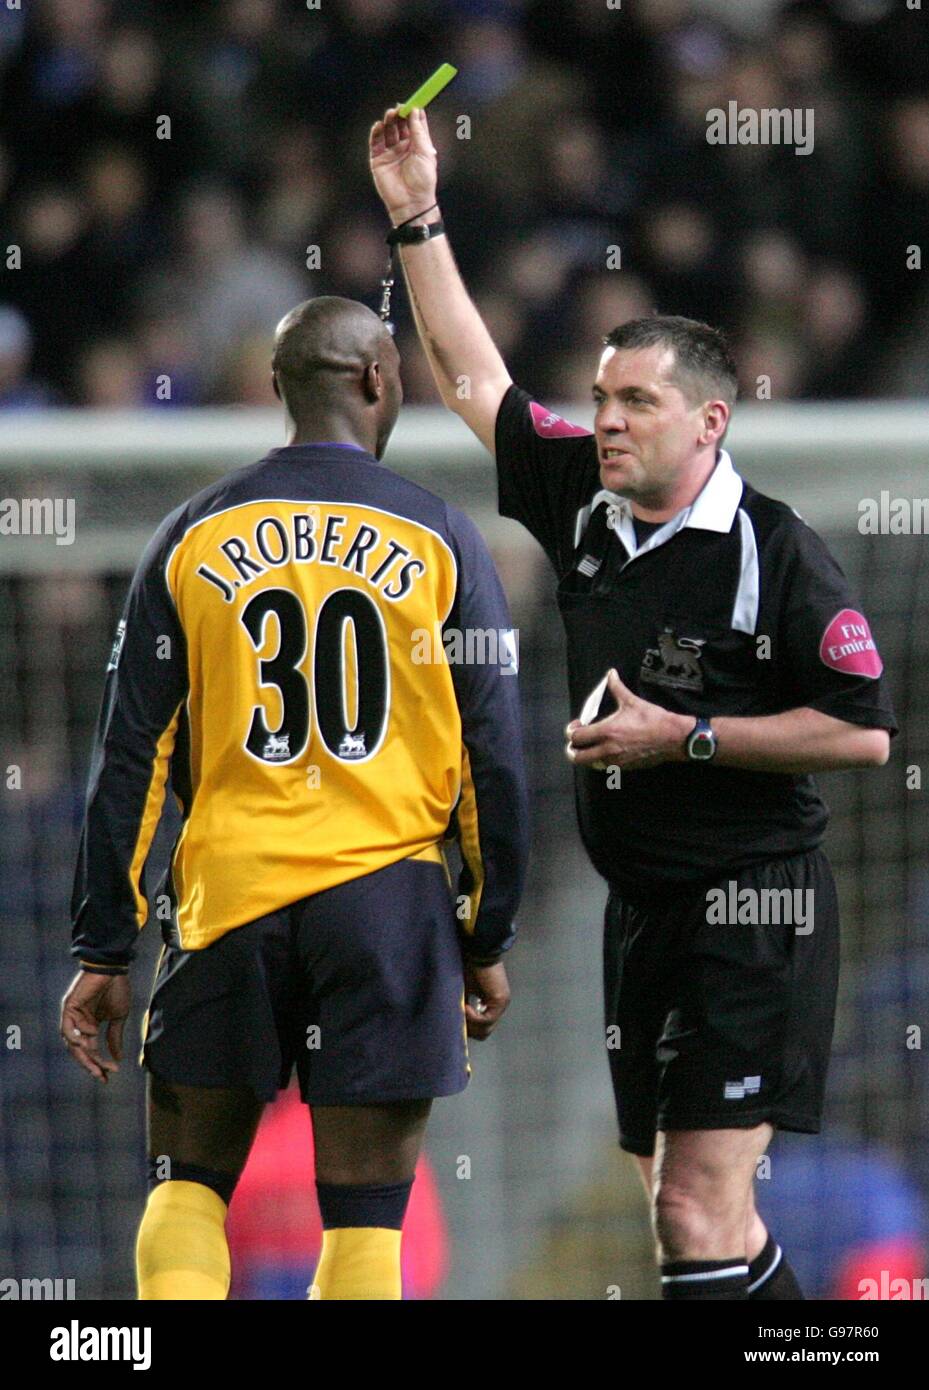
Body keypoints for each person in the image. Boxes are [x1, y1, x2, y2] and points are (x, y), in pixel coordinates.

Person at [369, 106, 898, 1301]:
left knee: (694, 1204)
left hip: (750, 908)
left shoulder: (776, 553)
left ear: (708, 421)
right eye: (602, 398)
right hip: (643, 910)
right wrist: (415, 213)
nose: (604, 418)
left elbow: (860, 733)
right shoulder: (583, 502)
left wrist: (686, 734)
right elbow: (471, 377)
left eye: (635, 404)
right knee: (686, 1216)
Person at [60, 295, 529, 1301]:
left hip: (229, 894)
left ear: (276, 390)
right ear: (373, 379)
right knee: (365, 1222)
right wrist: (484, 932)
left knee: (187, 1187)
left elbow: (130, 755)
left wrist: (104, 945)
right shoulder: (443, 536)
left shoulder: (189, 534)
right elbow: (492, 755)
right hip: (388, 904)